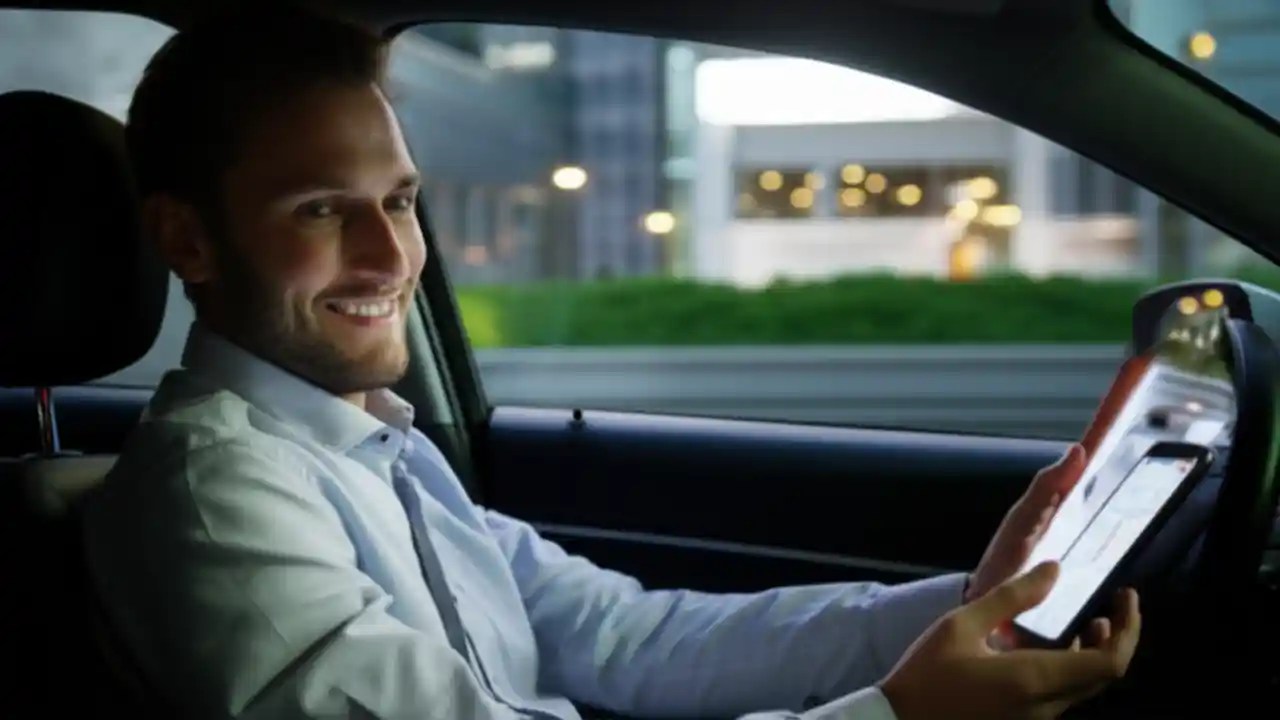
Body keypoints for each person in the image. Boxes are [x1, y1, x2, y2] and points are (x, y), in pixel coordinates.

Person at [79, 5, 1140, 719]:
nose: (391, 254)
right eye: (321, 210)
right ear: (188, 241)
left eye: (399, 202)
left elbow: (630, 636)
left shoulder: (365, 449)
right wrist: (901, 712)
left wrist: (965, 602)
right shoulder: (214, 498)